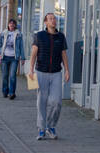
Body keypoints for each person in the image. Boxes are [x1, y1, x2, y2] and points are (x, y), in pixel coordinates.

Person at [28, 12, 69, 141]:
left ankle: (51, 126)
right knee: (42, 101)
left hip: (56, 73)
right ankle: (41, 129)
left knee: (56, 102)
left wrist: (67, 70)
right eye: (50, 19)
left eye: (54, 19)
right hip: (41, 72)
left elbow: (63, 54)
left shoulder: (61, 36)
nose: (53, 21)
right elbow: (34, 53)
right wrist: (31, 70)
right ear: (45, 22)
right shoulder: (39, 36)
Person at [0, 20, 25, 99]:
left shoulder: (19, 34)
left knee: (12, 76)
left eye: (13, 24)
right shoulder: (3, 33)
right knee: (5, 76)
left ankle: (12, 93)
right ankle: (5, 91)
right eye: (10, 23)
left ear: (15, 25)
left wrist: (22, 58)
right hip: (5, 57)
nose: (11, 25)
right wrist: (0, 51)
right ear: (8, 25)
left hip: (14, 58)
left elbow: (21, 47)